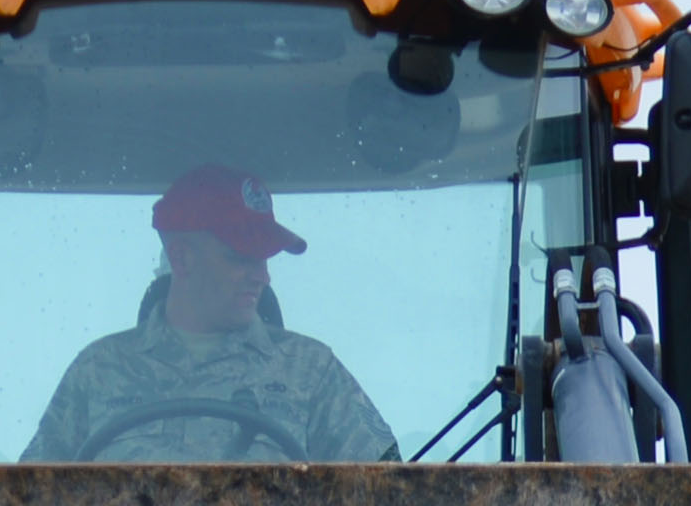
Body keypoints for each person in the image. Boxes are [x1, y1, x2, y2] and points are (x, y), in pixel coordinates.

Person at [22, 165, 404, 465]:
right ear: (182, 258)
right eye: (241, 257)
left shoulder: (312, 372)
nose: (262, 275)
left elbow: (393, 505)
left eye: (265, 258)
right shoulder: (99, 371)